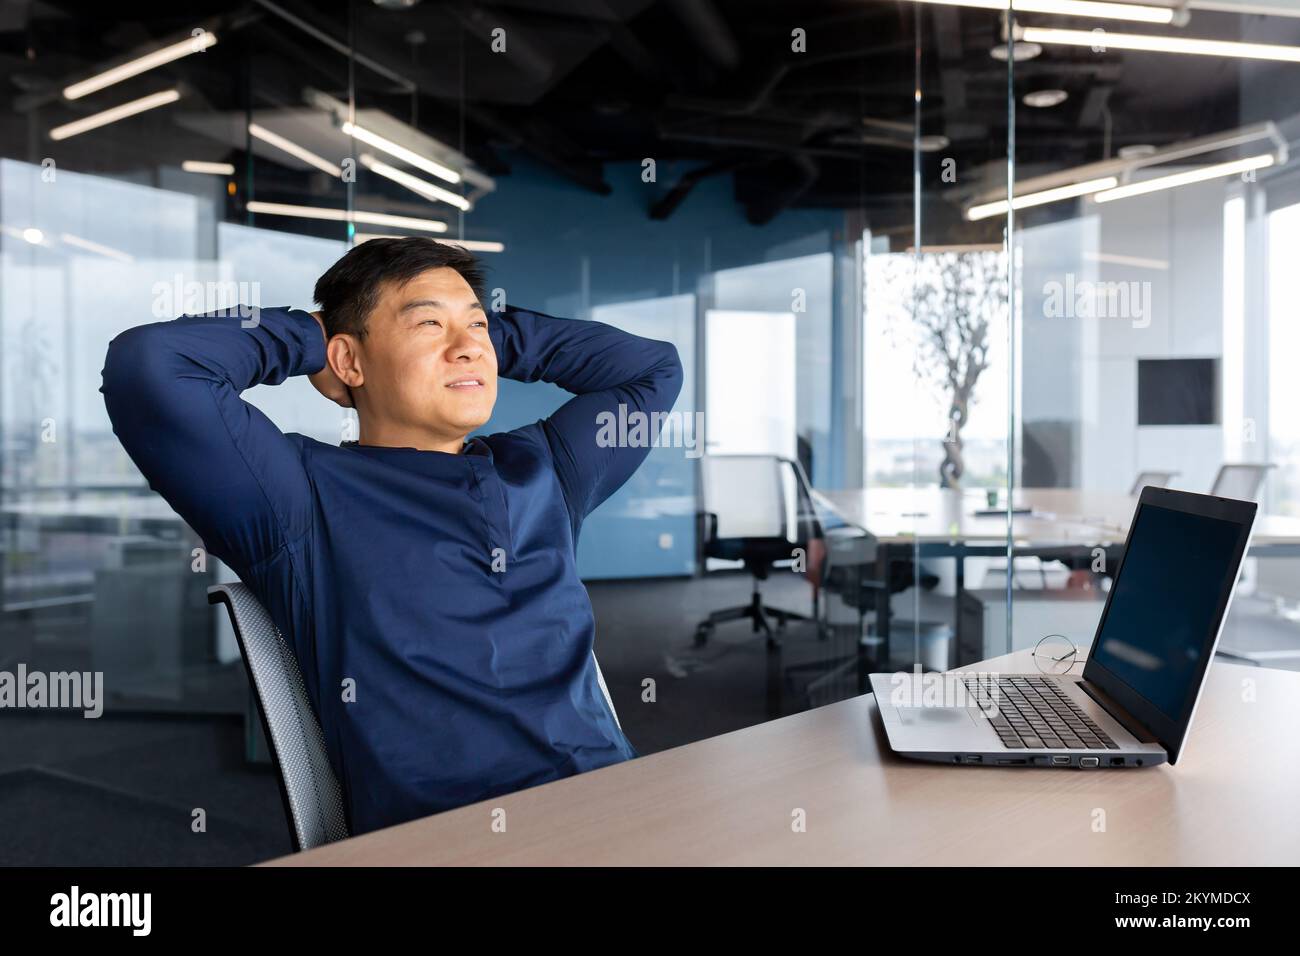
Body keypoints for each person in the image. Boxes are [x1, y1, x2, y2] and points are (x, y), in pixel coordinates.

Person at [101, 238, 683, 835]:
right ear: (349, 362)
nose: (467, 347)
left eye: (477, 325)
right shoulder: (295, 496)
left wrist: (477, 340)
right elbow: (150, 364)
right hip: (446, 835)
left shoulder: (546, 467)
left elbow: (653, 368)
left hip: (609, 802)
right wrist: (313, 340)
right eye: (427, 323)